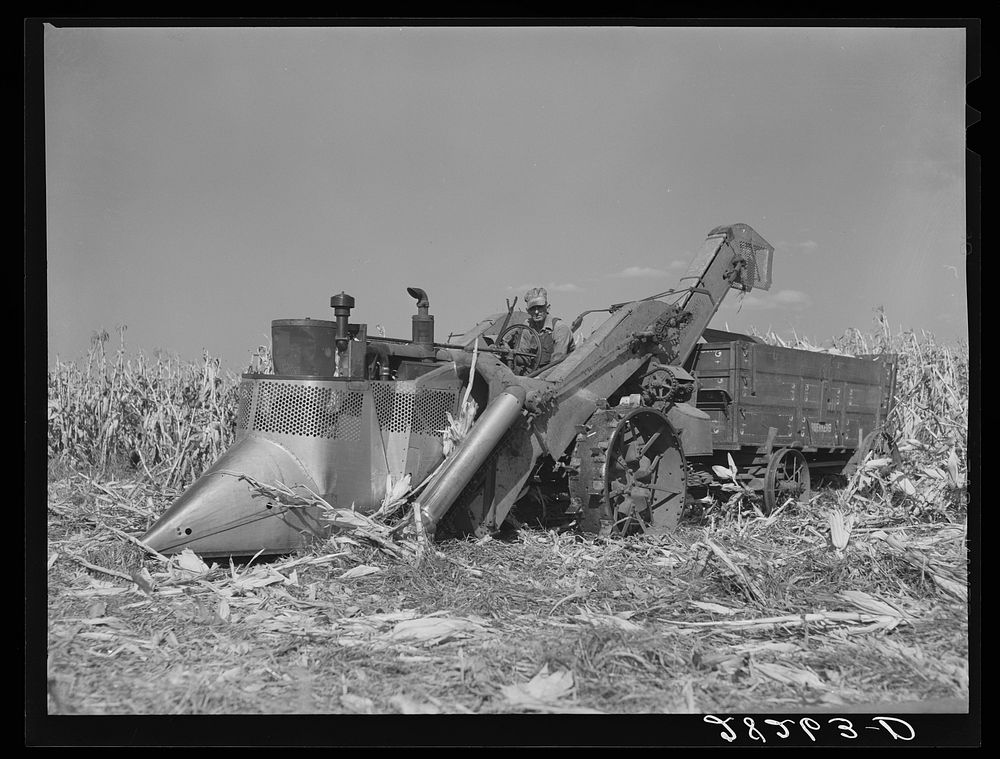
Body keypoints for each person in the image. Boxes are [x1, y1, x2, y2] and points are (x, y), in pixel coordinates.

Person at [516, 287, 575, 368]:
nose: (536, 312)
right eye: (532, 308)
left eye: (540, 307)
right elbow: (523, 358)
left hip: (561, 373)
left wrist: (538, 378)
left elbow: (556, 363)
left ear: (548, 308)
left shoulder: (560, 328)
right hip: (536, 373)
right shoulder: (527, 326)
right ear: (528, 311)